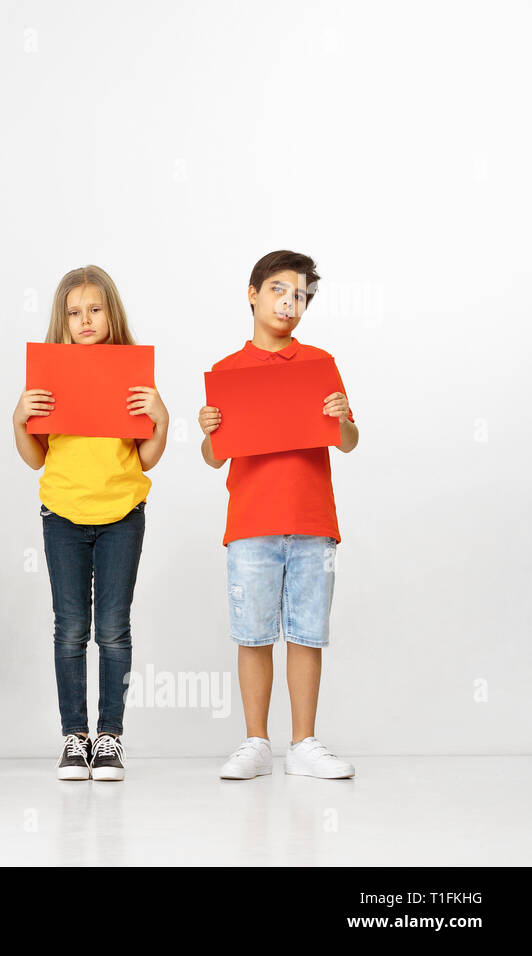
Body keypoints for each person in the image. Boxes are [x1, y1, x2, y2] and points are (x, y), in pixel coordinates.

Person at [198, 250, 359, 780]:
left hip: (312, 520)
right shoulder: (228, 372)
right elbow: (214, 455)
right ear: (252, 293)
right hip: (251, 522)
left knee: (308, 634)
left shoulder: (320, 364)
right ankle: (256, 741)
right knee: (253, 633)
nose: (289, 302)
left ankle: (304, 742)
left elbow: (349, 441)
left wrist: (341, 417)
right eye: (277, 289)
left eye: (300, 295)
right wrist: (209, 428)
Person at [12, 266, 167, 781]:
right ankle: (74, 738)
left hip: (122, 513)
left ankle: (110, 737)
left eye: (95, 310)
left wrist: (160, 420)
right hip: (63, 514)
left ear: (111, 313)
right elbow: (35, 458)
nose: (85, 320)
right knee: (70, 628)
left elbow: (146, 458)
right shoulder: (51, 376)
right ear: (63, 318)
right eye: (74, 312)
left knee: (113, 630)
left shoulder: (130, 374)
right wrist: (20, 419)